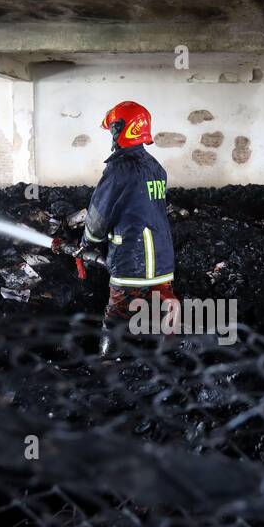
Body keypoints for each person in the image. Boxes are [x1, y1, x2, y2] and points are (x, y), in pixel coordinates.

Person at [81, 100, 178, 358]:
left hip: (133, 261)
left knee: (117, 314)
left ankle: (108, 364)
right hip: (162, 261)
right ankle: (165, 363)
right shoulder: (156, 167)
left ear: (120, 129)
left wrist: (88, 242)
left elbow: (99, 215)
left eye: (113, 128)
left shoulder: (119, 169)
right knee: (159, 311)